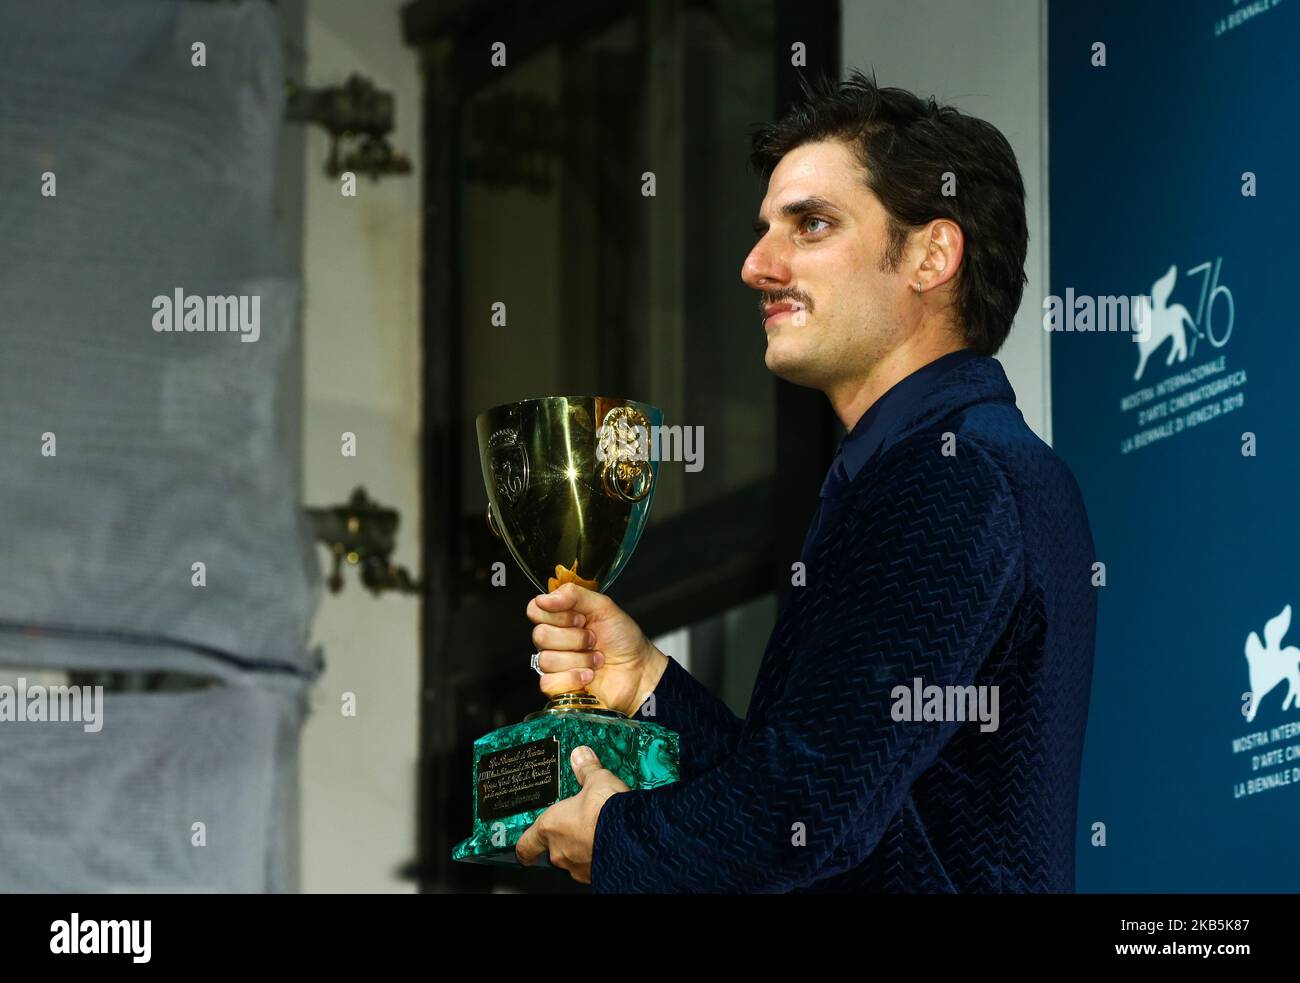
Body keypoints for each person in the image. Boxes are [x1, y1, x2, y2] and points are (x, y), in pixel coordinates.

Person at [514, 69, 1097, 893]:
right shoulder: (936, 466)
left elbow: (804, 819)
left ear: (932, 254)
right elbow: (838, 815)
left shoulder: (952, 477)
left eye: (811, 225)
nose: (757, 265)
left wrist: (617, 836)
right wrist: (647, 682)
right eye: (763, 231)